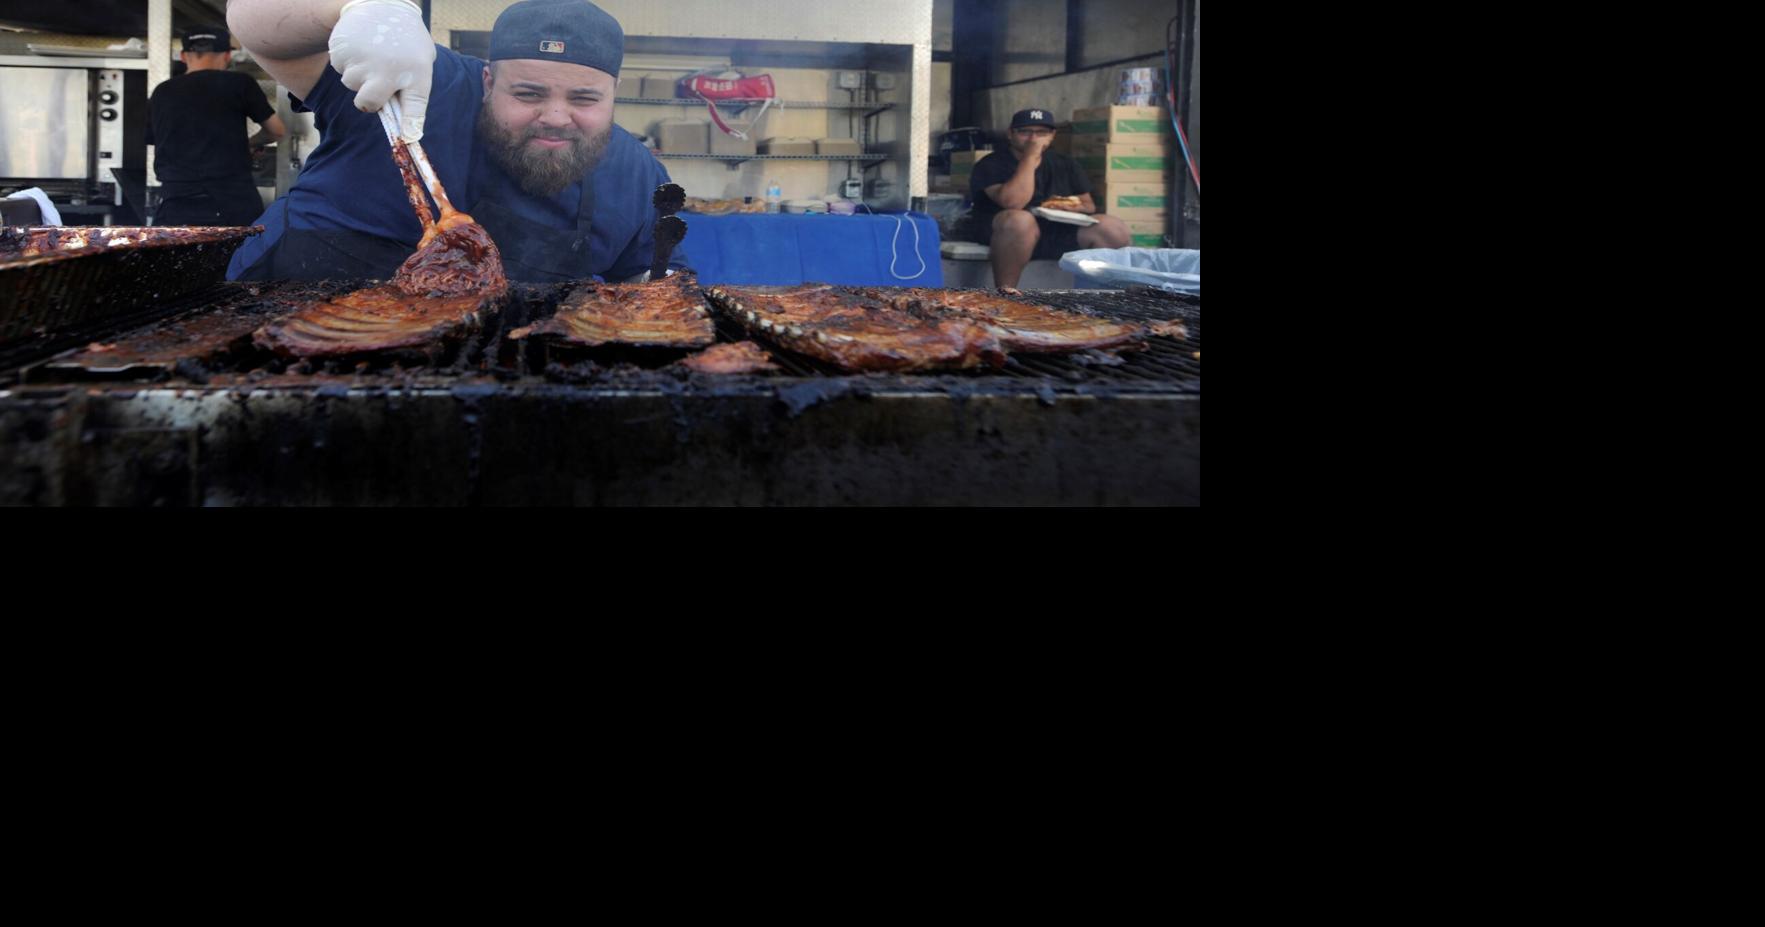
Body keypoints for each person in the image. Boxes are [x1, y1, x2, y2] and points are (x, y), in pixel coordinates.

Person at [225, 0, 686, 283]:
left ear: (614, 94)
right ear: (488, 81)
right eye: (528, 93)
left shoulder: (637, 175)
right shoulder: (416, 80)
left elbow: (650, 274)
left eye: (584, 98)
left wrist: (655, 287)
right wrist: (355, 7)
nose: (556, 118)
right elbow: (252, 21)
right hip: (279, 319)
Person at [968, 108, 1129, 288]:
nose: (1033, 139)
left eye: (1041, 133)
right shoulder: (990, 164)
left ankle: (1103, 298)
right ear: (1010, 134)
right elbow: (1013, 202)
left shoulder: (1065, 163)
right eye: (1025, 132)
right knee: (1020, 220)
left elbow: (1088, 205)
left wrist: (1068, 208)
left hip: (1054, 232)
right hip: (1007, 237)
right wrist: (1030, 157)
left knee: (1112, 227)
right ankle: (1006, 294)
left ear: (1052, 136)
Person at [147, 27, 287, 226]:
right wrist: (249, 144)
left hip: (177, 202)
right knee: (239, 256)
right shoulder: (240, 84)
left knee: (177, 256)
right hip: (232, 199)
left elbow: (155, 139)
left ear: (184, 56)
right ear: (227, 55)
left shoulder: (162, 92)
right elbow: (277, 130)